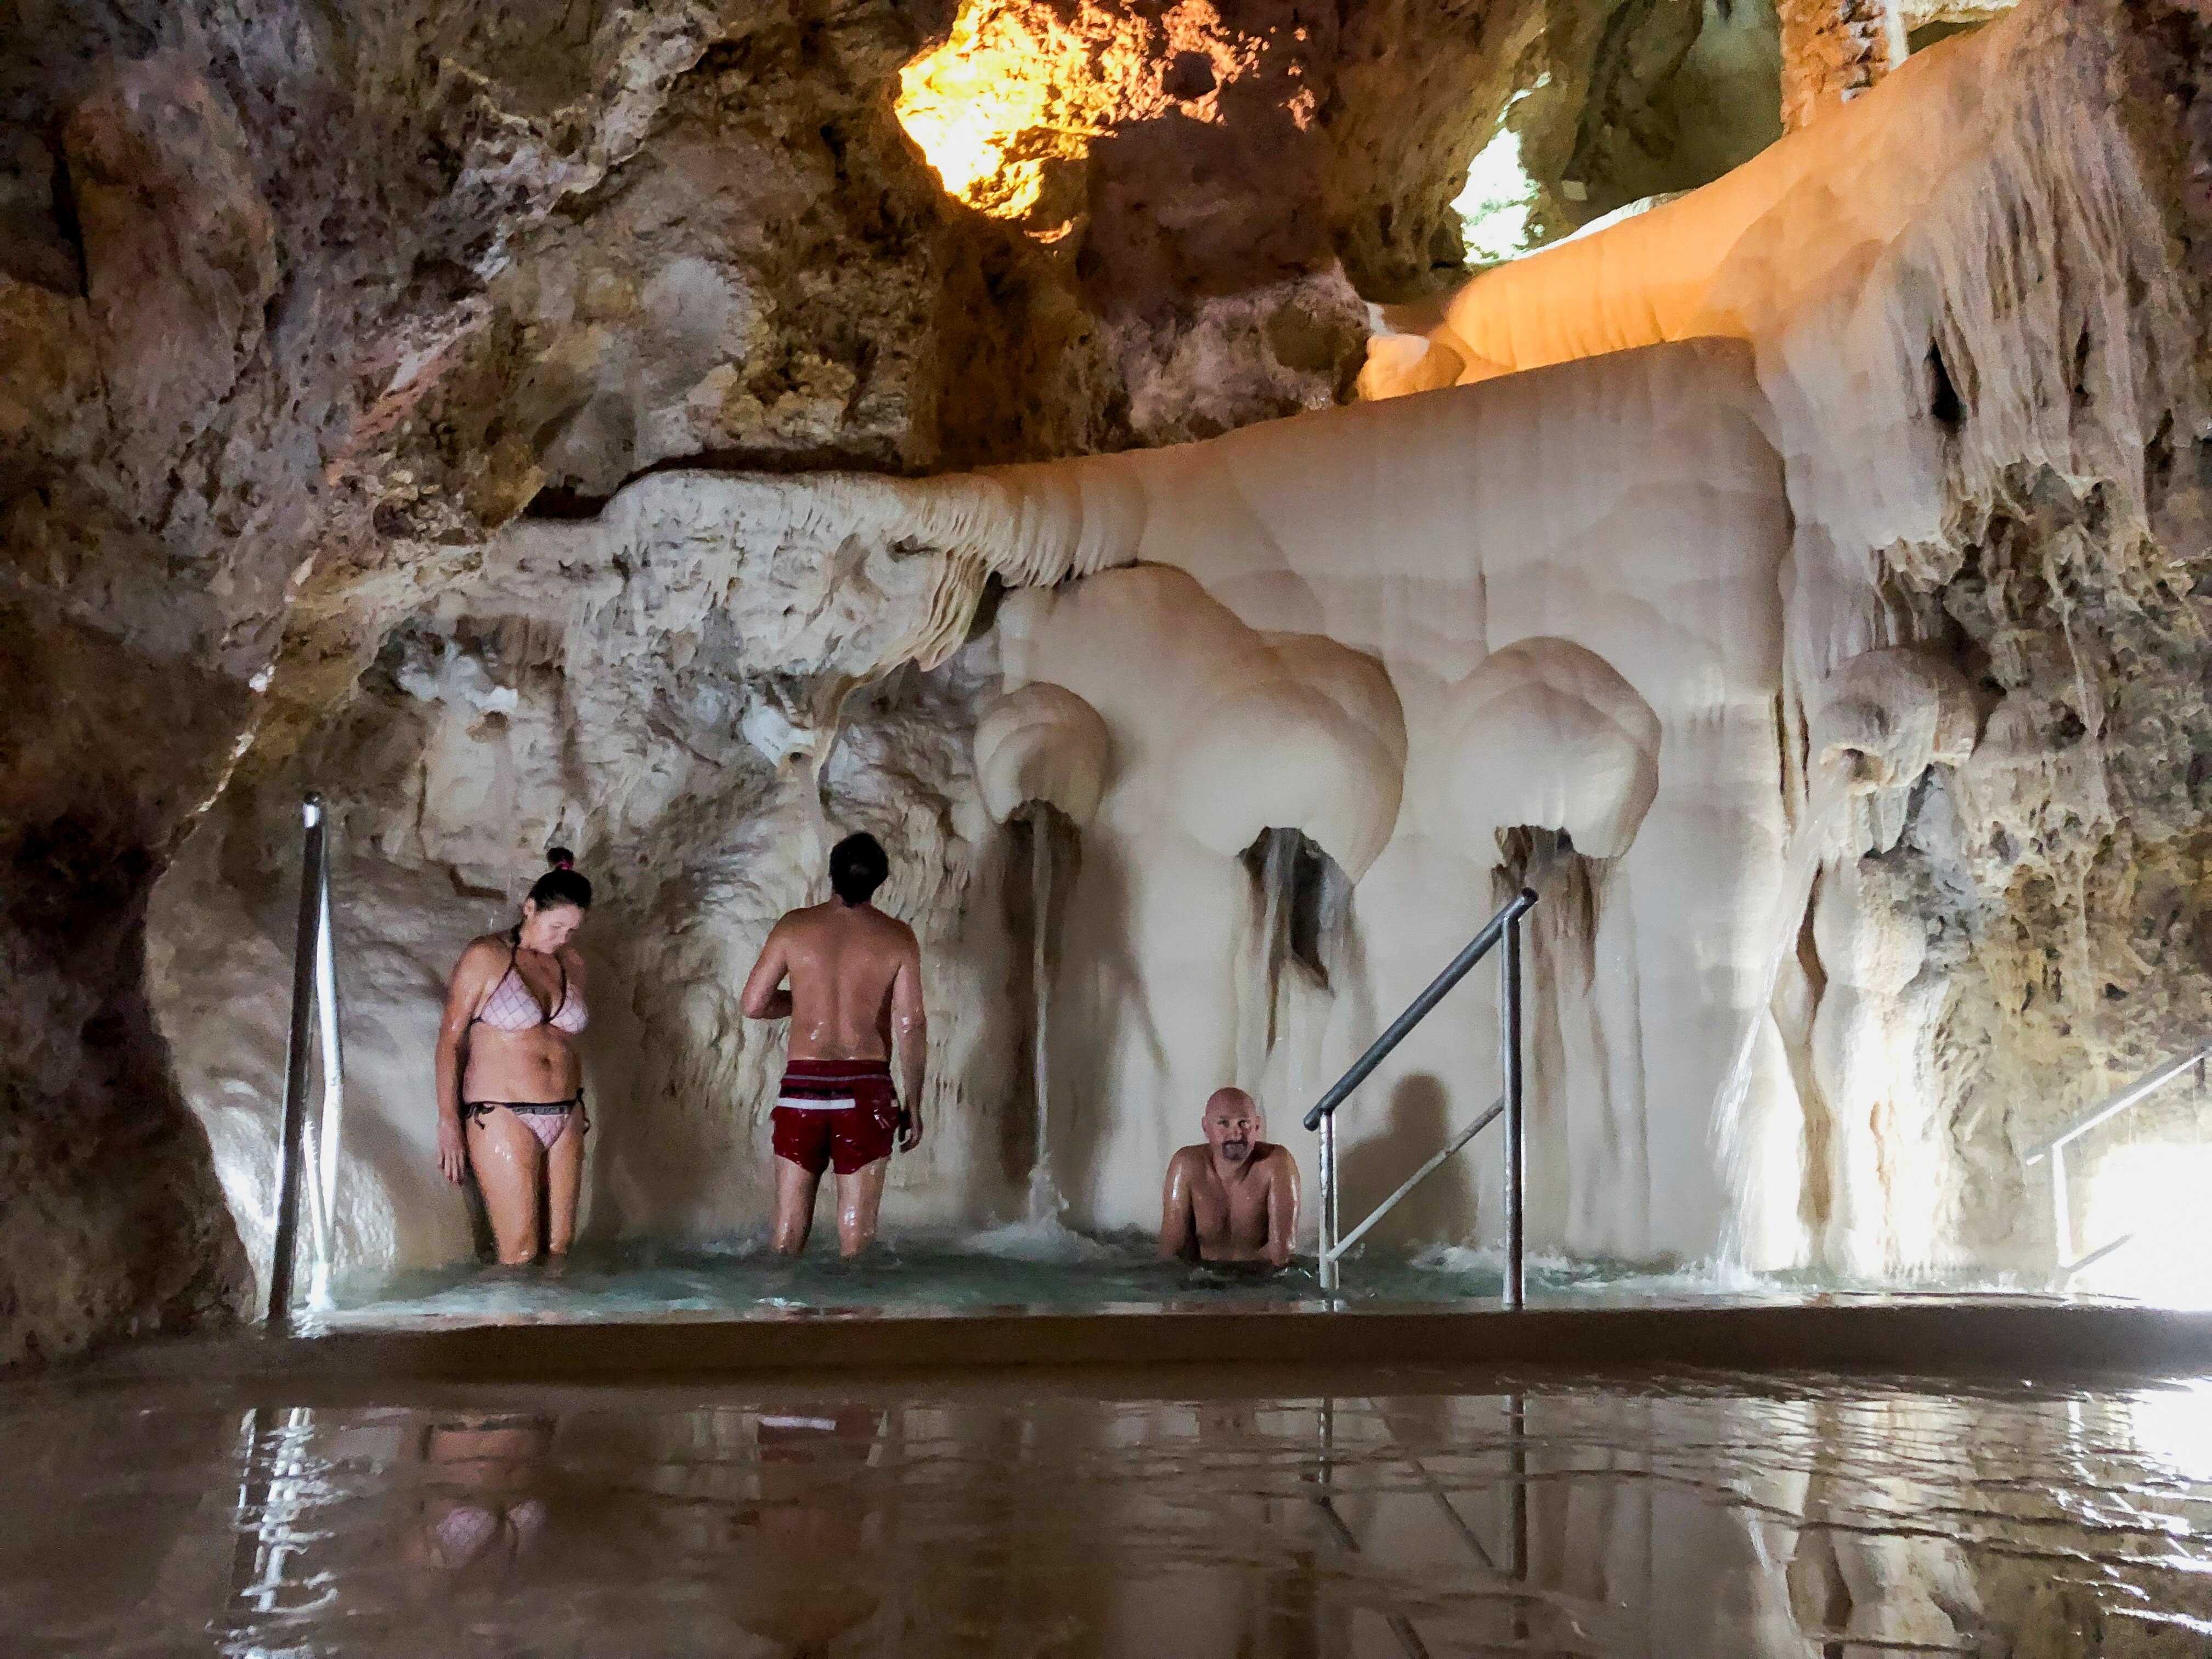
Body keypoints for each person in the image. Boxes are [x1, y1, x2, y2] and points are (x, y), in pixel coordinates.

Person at [740, 832, 926, 1257]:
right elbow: (910, 1023)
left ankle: (779, 1318)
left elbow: (753, 1004)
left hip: (802, 1090)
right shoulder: (897, 938)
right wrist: (914, 1102)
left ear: (832, 874)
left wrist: (803, 1001)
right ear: (880, 881)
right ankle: (855, 1322)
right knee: (856, 1238)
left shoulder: (794, 927)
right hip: (865, 1091)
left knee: (787, 1232)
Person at [435, 848, 594, 1265]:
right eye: (556, 926)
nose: (562, 938)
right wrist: (449, 1122)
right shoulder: (486, 957)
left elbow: (563, 1042)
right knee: (519, 1254)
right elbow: (450, 1041)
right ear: (529, 909)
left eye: (572, 930)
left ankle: (556, 1330)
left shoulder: (572, 963)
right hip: (503, 1114)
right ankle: (507, 1328)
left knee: (560, 1251)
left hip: (566, 1113)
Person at [1159, 1086, 1300, 1268]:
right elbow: (1171, 1252)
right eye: (1224, 1124)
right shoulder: (1186, 1166)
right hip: (1202, 1282)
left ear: (1257, 1125)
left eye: (1244, 1123)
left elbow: (1282, 1255)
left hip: (1259, 1280)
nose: (1236, 1134)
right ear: (1206, 1127)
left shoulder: (1277, 1164)